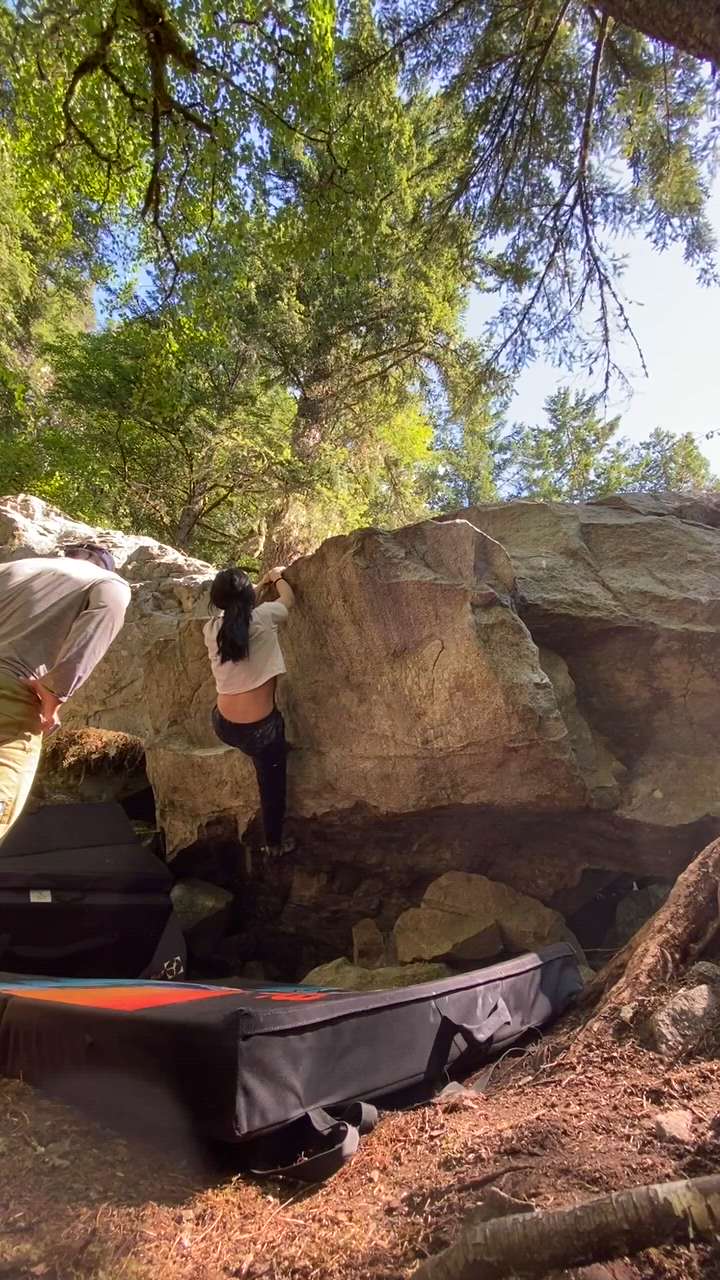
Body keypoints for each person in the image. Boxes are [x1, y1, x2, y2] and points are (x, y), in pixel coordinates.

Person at [0, 542, 131, 842]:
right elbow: (106, 613)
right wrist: (54, 694)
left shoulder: (11, 569)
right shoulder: (108, 582)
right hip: (9, 695)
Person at [203, 564, 296, 857]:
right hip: (261, 732)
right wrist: (276, 577)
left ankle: (263, 753)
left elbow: (237, 609)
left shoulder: (211, 629)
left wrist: (257, 585)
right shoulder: (265, 616)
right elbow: (288, 599)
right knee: (272, 786)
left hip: (223, 724)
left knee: (262, 749)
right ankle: (274, 845)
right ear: (248, 598)